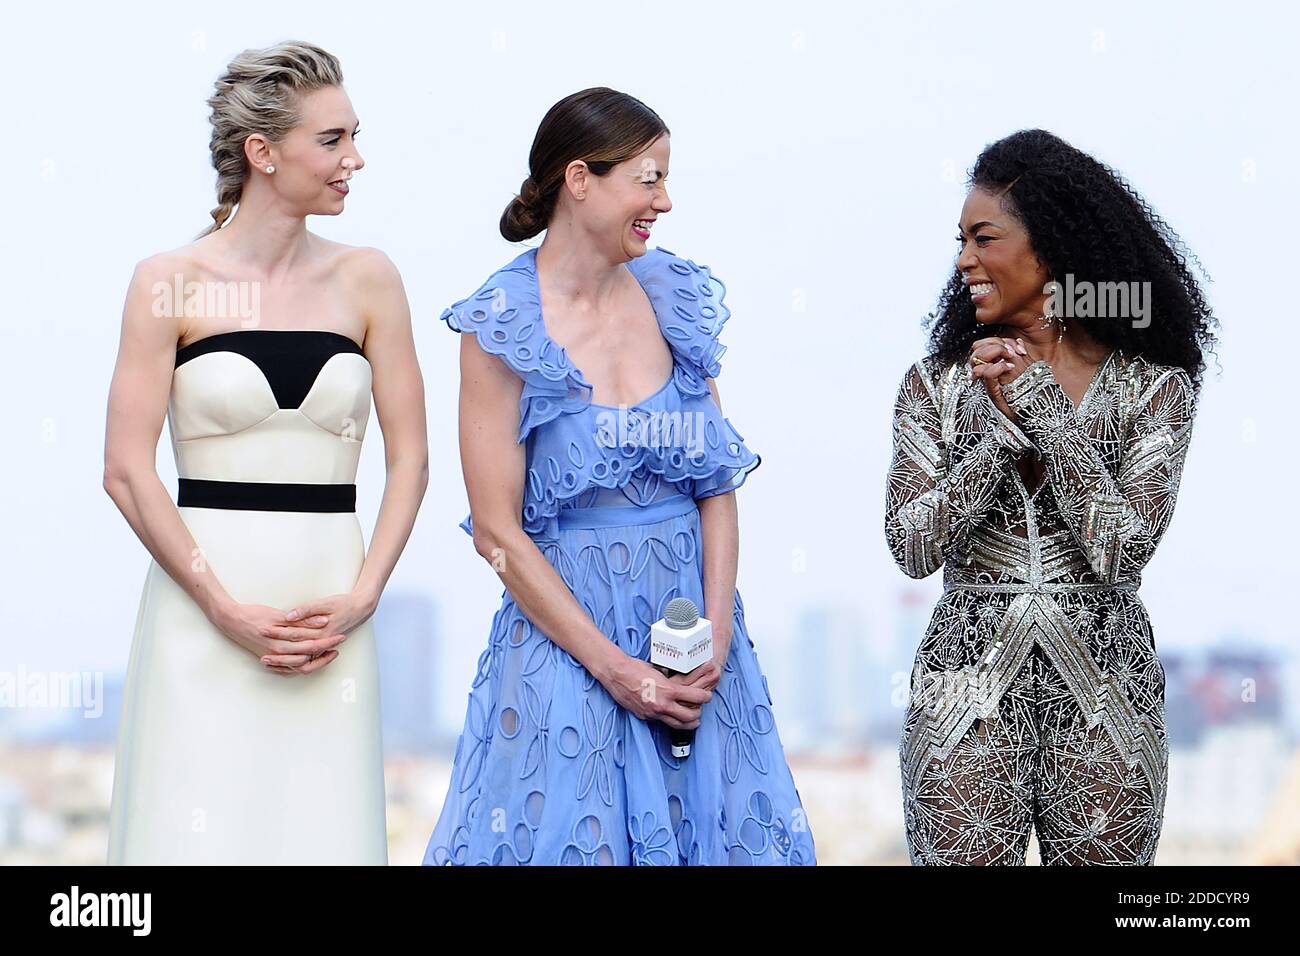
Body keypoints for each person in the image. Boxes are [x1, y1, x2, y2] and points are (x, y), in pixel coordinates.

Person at [423, 87, 814, 865]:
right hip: (568, 647)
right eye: (648, 178)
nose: (664, 201)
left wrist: (720, 636)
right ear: (579, 179)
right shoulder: (502, 323)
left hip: (693, 644)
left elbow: (716, 483)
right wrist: (616, 669)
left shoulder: (675, 298)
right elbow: (496, 532)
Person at [103, 41, 428, 864]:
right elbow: (125, 470)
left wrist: (363, 597)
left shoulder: (371, 280)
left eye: (354, 136)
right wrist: (221, 608)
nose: (355, 160)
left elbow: (413, 460)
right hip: (201, 612)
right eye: (333, 141)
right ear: (263, 152)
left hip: (331, 619)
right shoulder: (166, 281)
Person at [886, 128, 1216, 865]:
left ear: (1054, 248)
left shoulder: (1156, 386)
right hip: (963, 699)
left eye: (983, 237)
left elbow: (1122, 547)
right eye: (960, 241)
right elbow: (911, 548)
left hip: (1107, 699)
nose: (964, 260)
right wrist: (998, 435)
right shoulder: (935, 386)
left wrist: (1035, 400)